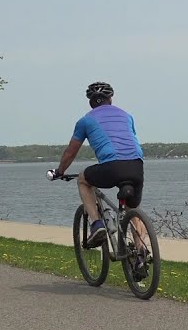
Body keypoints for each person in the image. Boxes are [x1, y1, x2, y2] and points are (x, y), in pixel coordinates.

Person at [52, 82, 145, 247]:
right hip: (136, 166)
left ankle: (96, 224)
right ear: (111, 99)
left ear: (90, 102)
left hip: (111, 167)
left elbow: (70, 153)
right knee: (133, 210)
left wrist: (60, 171)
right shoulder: (127, 116)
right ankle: (141, 253)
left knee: (83, 179)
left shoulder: (85, 121)